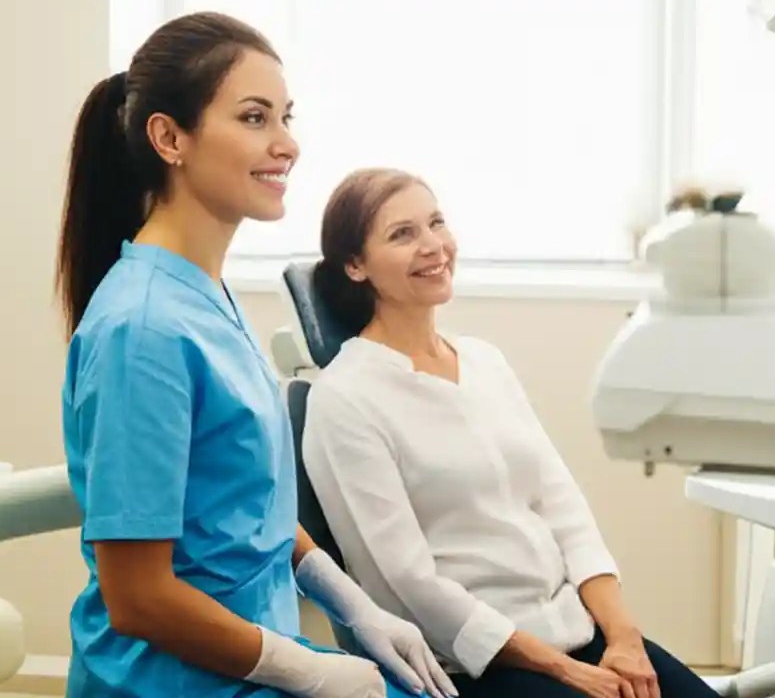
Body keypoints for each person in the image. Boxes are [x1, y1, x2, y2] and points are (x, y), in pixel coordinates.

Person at [54, 14, 457, 698]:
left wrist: (348, 601)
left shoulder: (207, 293)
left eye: (286, 117)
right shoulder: (143, 329)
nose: (287, 144)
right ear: (169, 137)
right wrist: (310, 670)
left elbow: (245, 504)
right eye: (254, 118)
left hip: (249, 655)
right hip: (175, 680)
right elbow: (138, 599)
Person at [299, 168, 723, 698]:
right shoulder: (346, 398)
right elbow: (410, 584)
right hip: (473, 666)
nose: (433, 246)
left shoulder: (484, 361)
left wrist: (624, 636)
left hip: (576, 632)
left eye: (436, 222)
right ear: (355, 265)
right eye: (402, 234)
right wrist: (565, 672)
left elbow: (563, 508)